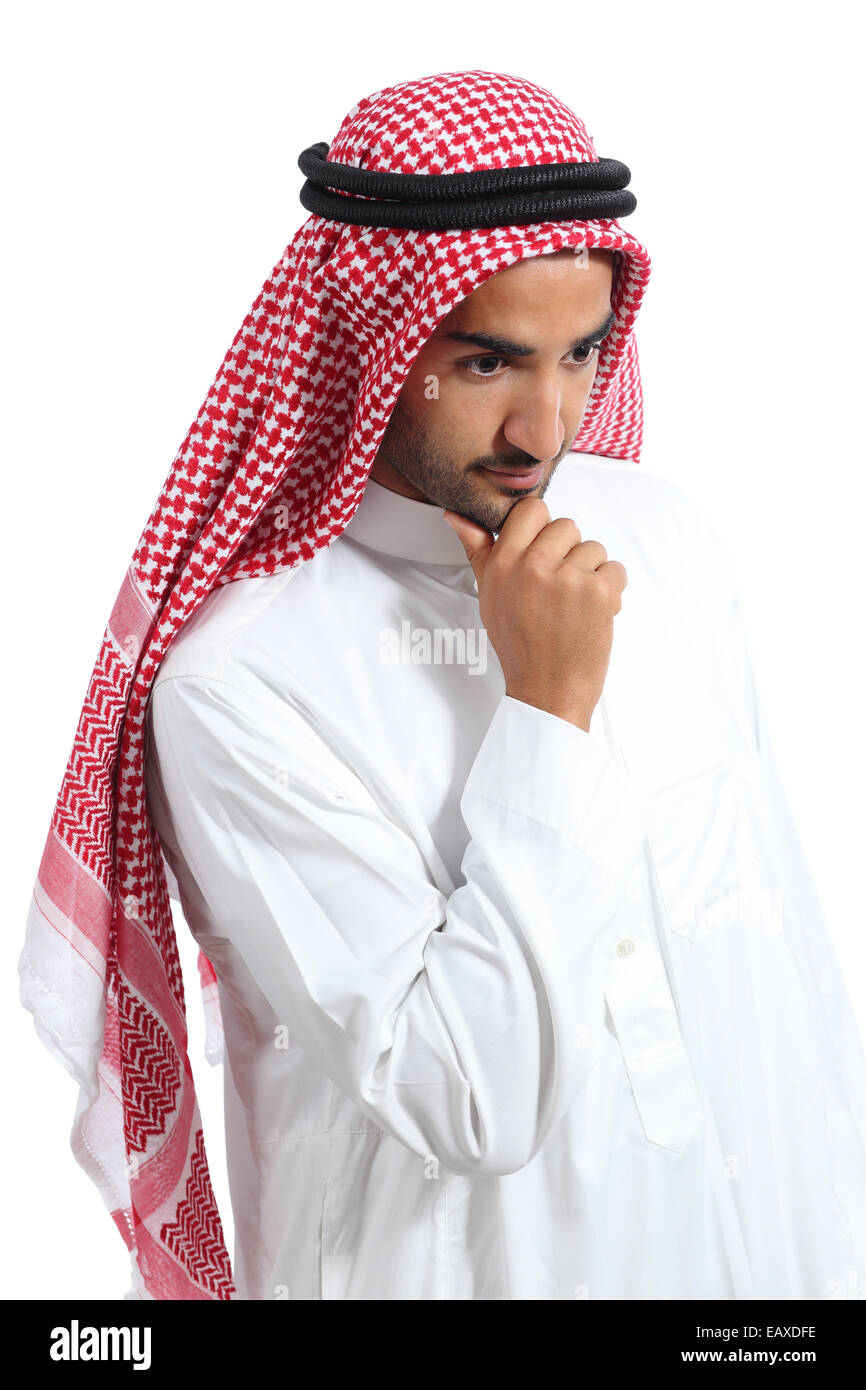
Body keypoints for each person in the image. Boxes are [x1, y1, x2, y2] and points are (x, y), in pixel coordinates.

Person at [20, 69, 866, 1302]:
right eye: (486, 365)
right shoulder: (241, 681)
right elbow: (468, 1093)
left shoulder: (663, 538)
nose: (545, 428)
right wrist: (545, 712)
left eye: (580, 355)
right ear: (374, 342)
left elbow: (775, 961)